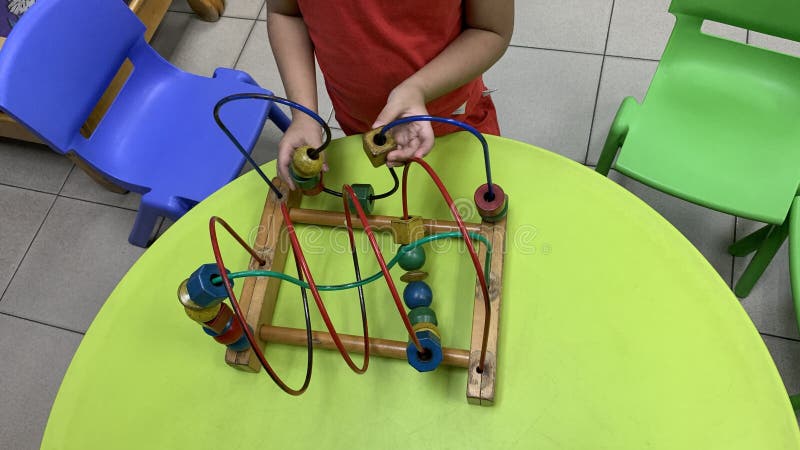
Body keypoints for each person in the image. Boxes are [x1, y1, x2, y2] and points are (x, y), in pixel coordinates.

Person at [266, 0, 514, 188]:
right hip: (361, 125)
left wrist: (418, 88)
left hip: (455, 121)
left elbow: (491, 30)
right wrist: (304, 115)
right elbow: (286, 13)